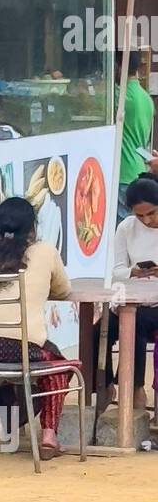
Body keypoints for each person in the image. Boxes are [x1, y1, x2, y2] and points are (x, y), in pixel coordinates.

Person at [0, 196, 72, 461]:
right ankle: (48, 436)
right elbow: (63, 290)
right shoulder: (44, 251)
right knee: (60, 369)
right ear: (32, 227)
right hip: (23, 347)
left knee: (37, 362)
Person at [98, 175, 158, 408]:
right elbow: (115, 271)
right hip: (132, 296)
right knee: (97, 333)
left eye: (152, 213)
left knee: (135, 324)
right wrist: (134, 272)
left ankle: (135, 389)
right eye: (140, 215)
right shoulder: (126, 227)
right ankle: (104, 386)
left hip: (152, 306)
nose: (147, 220)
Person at [117, 51, 158, 223]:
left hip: (122, 171)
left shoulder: (119, 97)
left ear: (118, 68)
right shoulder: (146, 98)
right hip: (138, 168)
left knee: (126, 228)